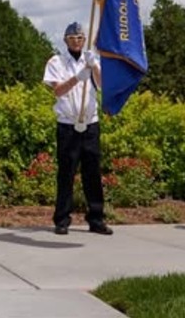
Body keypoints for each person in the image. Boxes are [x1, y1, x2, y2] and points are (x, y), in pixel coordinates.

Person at [43, 22, 112, 236]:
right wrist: (77, 78)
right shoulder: (57, 62)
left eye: (80, 37)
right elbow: (58, 91)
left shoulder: (91, 60)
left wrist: (94, 67)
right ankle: (62, 219)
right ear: (65, 40)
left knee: (92, 173)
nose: (77, 40)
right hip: (68, 125)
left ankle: (96, 219)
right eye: (72, 37)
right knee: (66, 173)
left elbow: (102, 86)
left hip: (90, 123)